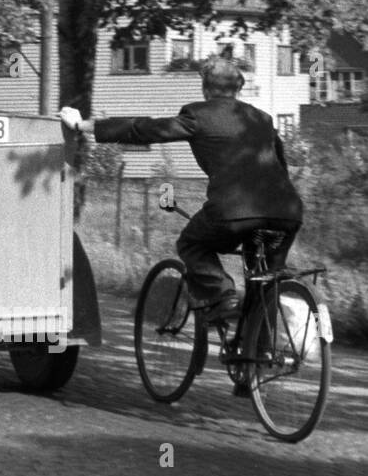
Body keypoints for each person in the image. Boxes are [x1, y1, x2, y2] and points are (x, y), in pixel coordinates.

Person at [59, 56, 303, 324]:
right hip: (286, 212)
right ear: (238, 88)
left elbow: (145, 130)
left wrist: (84, 125)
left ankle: (223, 295)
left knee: (192, 243)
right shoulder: (261, 119)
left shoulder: (198, 115)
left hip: (234, 210)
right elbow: (280, 164)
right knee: (264, 282)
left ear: (205, 88)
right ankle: (258, 342)